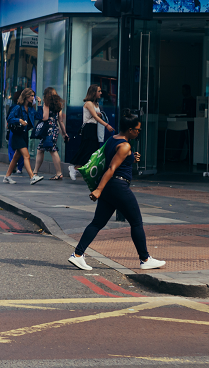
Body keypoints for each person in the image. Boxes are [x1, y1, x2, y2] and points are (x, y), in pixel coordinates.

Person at [69, 110, 166, 271]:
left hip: (110, 188)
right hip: (118, 187)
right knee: (136, 222)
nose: (139, 132)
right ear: (130, 130)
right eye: (138, 129)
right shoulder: (125, 145)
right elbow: (111, 168)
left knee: (97, 223)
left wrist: (130, 159)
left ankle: (77, 255)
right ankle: (145, 259)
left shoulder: (113, 140)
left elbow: (115, 160)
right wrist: (98, 190)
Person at [69, 84, 113, 180]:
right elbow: (95, 117)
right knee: (88, 149)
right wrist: (106, 125)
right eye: (99, 91)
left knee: (93, 151)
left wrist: (100, 116)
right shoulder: (88, 103)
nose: (101, 93)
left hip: (95, 128)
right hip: (89, 128)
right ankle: (75, 168)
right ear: (94, 92)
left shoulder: (96, 104)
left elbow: (97, 116)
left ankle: (81, 170)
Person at [4, 88, 43, 185]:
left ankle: (7, 176)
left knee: (16, 157)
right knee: (26, 156)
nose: (33, 98)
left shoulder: (30, 109)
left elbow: (39, 116)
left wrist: (39, 104)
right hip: (17, 135)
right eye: (31, 96)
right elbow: (10, 118)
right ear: (26, 96)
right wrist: (19, 120)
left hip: (24, 135)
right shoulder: (17, 107)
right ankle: (32, 177)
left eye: (33, 96)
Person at [35, 87, 69, 179]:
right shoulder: (59, 105)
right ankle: (36, 172)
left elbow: (45, 117)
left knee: (49, 150)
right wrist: (64, 133)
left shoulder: (46, 104)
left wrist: (39, 107)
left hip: (47, 130)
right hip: (55, 129)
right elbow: (60, 121)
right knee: (45, 149)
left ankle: (57, 173)